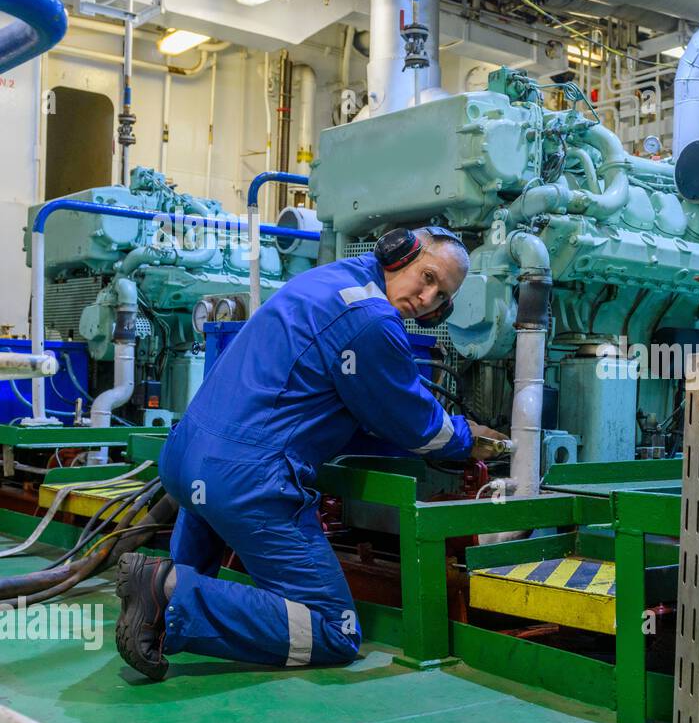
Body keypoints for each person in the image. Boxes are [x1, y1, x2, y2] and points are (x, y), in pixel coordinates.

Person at [114, 226, 505, 680]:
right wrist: (465, 437)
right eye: (429, 276)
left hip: (186, 459)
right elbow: (414, 424)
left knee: (193, 564)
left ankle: (158, 606)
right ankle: (164, 590)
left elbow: (342, 401)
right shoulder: (372, 320)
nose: (427, 297)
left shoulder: (326, 279)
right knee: (333, 631)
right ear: (400, 253)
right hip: (245, 478)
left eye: (441, 296)